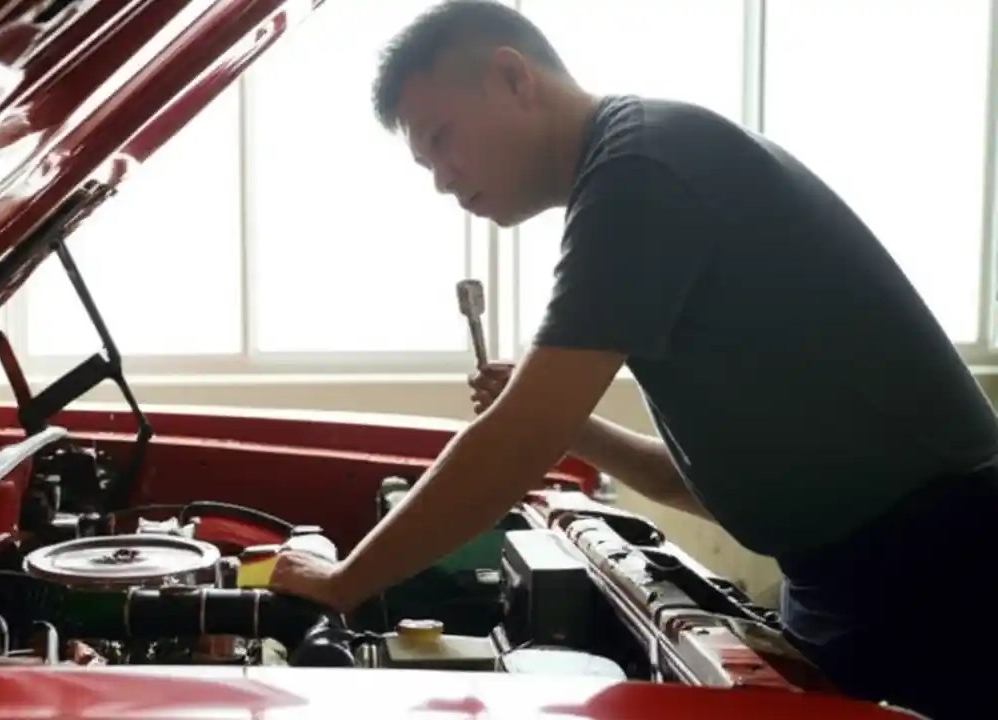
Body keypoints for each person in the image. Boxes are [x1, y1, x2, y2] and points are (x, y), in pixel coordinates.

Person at [269, 1, 998, 716]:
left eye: (442, 138)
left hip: (954, 578)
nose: (442, 178)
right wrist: (573, 428)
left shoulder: (641, 167)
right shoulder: (638, 169)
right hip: (848, 591)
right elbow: (693, 484)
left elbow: (516, 443)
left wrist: (345, 580)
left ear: (513, 78)